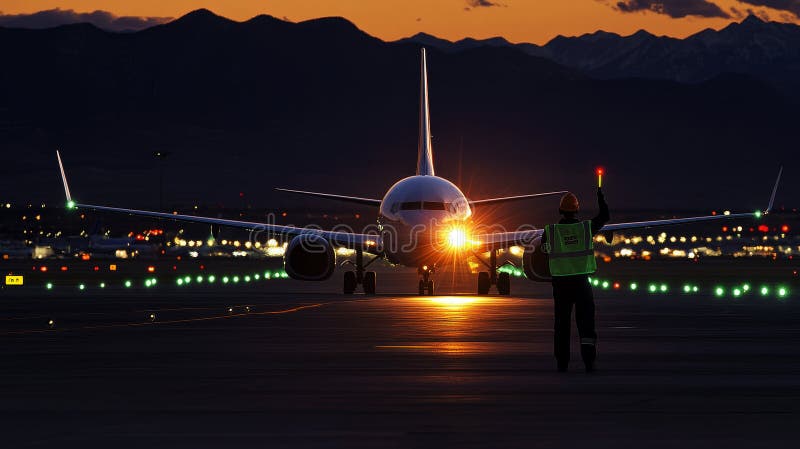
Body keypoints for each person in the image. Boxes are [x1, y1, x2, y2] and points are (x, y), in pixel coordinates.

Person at [544, 188, 609, 373]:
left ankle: (562, 363)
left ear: (560, 210)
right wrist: (600, 197)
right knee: (586, 324)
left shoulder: (550, 231)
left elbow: (543, 252)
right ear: (577, 210)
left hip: (561, 285)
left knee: (561, 325)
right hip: (582, 284)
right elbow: (605, 216)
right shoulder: (585, 228)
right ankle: (589, 361)